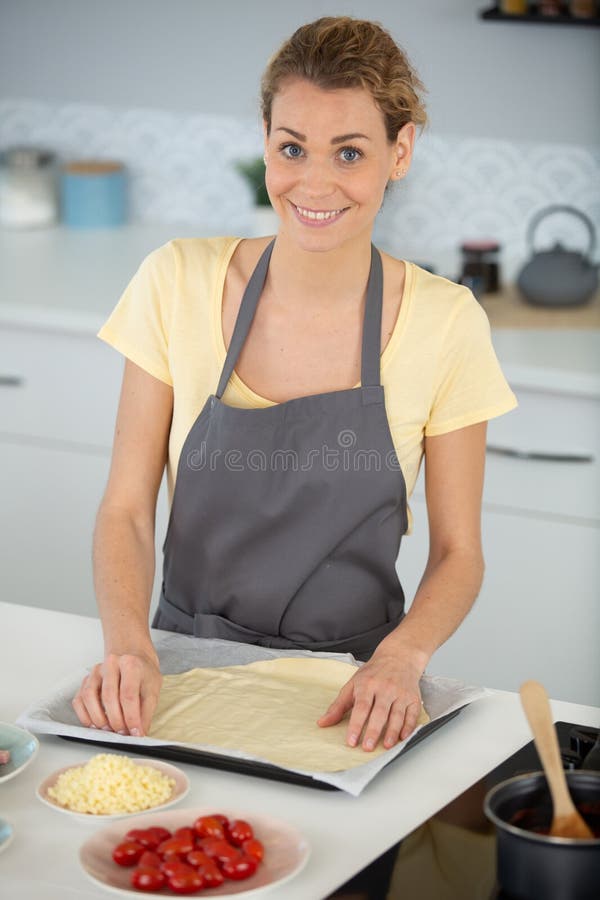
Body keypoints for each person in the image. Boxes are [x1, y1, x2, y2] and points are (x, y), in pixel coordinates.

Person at [73, 16, 517, 753]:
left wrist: (401, 660)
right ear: (266, 141)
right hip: (179, 674)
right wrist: (128, 648)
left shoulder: (446, 322)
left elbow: (459, 553)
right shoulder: (175, 281)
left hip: (354, 690)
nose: (314, 184)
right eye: (292, 148)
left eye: (350, 152)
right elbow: (125, 510)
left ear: (399, 152)